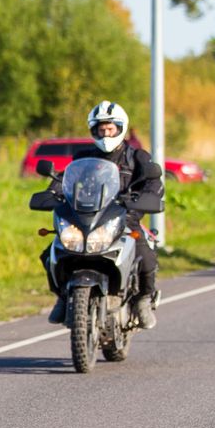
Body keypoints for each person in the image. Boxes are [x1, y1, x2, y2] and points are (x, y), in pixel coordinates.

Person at [53, 101, 164, 329]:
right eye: (101, 129)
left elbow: (153, 182)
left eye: (110, 129)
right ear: (94, 130)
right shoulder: (84, 158)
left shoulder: (137, 157)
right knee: (53, 252)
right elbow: (65, 180)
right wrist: (51, 193)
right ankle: (63, 298)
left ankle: (143, 300)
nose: (106, 133)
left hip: (125, 218)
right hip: (88, 217)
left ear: (120, 128)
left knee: (146, 256)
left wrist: (146, 198)